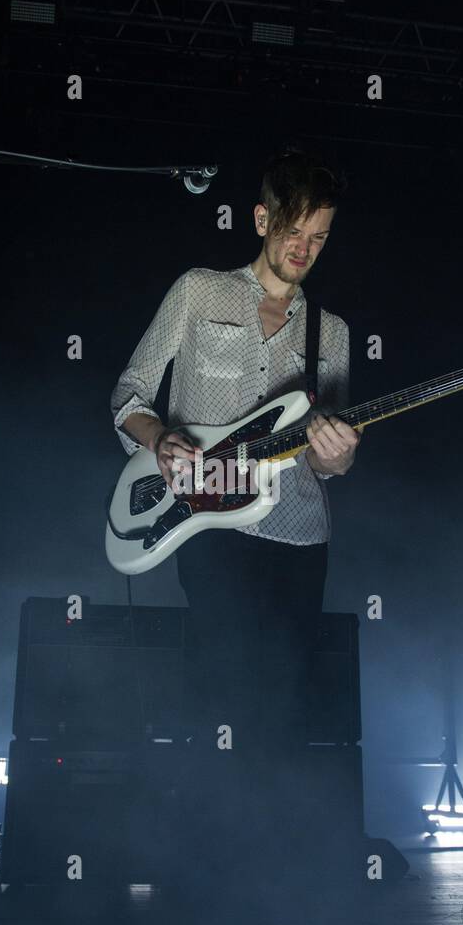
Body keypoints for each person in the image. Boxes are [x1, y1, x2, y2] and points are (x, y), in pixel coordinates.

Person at [110, 146, 360, 766]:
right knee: (222, 687)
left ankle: (271, 847)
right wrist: (157, 438)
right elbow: (130, 392)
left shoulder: (332, 333)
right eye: (292, 231)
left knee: (285, 704)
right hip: (209, 522)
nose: (303, 249)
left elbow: (331, 464)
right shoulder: (198, 292)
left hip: (300, 533)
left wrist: (338, 456)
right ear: (260, 220)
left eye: (319, 238)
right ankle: (209, 843)